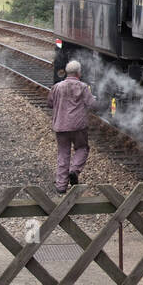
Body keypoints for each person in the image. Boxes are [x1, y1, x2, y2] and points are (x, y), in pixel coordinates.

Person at [47, 60, 100, 193]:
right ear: (78, 73)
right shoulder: (82, 87)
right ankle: (74, 170)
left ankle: (61, 186)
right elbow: (93, 105)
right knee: (82, 148)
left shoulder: (57, 87)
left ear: (67, 72)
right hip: (78, 126)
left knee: (63, 153)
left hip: (61, 126)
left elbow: (50, 103)